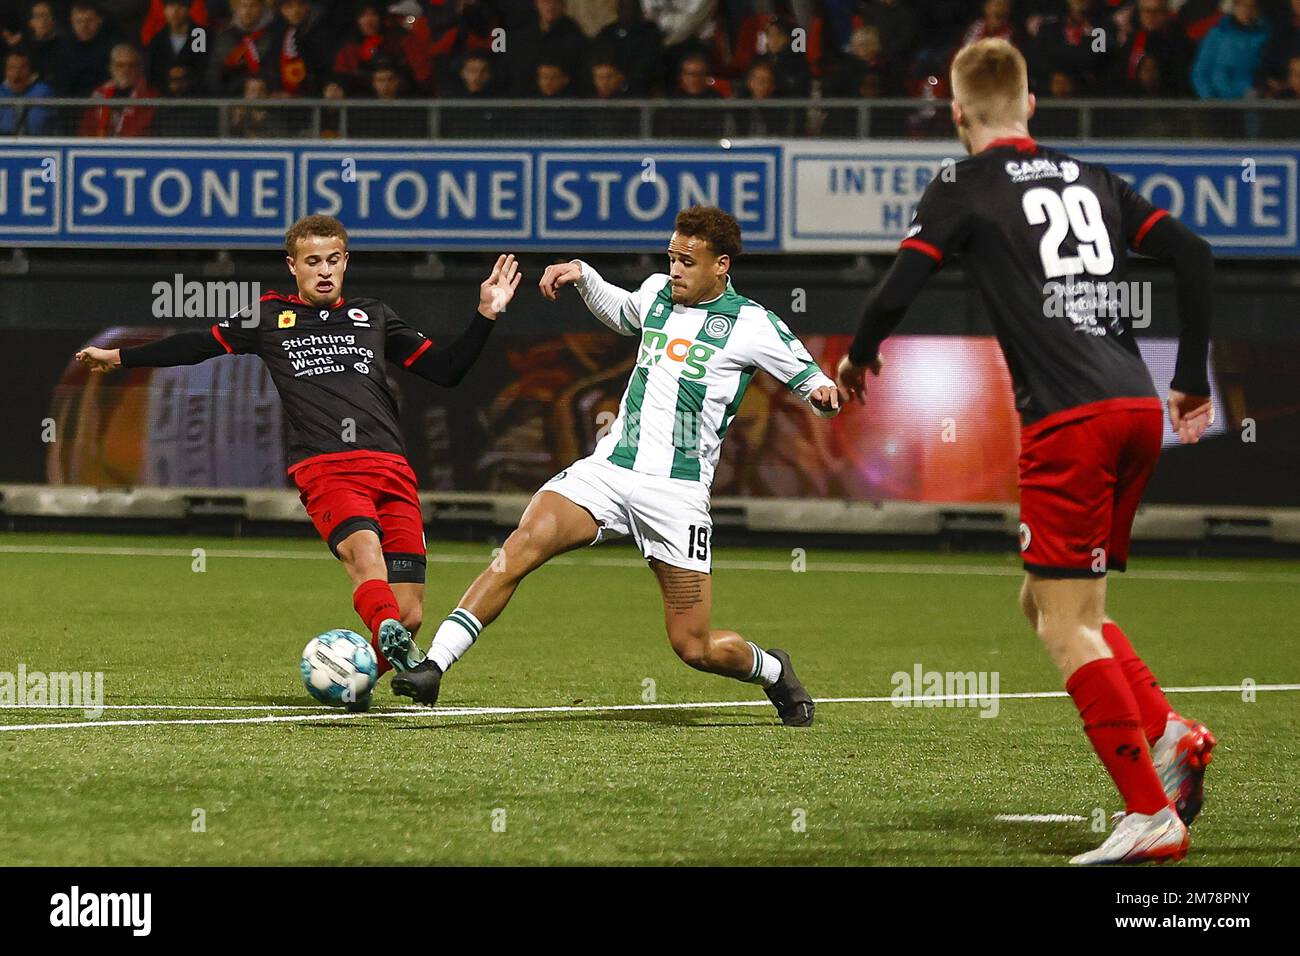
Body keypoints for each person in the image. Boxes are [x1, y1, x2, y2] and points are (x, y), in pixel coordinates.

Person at [835, 38, 1217, 865]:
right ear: (1033, 106)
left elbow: (896, 286)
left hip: (1070, 419)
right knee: (1051, 602)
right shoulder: (1093, 178)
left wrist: (861, 353)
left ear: (957, 113)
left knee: (1064, 625)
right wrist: (1189, 378)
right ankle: (1170, 732)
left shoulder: (963, 184)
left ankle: (1149, 813)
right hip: (1134, 407)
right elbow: (1193, 253)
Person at [387, 206, 841, 728]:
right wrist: (584, 275)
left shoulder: (753, 324)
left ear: (722, 266)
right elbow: (624, 310)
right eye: (671, 258)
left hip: (676, 494)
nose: (675, 271)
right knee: (521, 546)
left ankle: (772, 670)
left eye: (687, 262)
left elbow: (810, 380)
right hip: (609, 471)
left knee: (693, 646)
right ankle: (434, 665)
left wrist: (823, 395)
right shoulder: (657, 294)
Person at [74, 216, 521, 711]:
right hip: (326, 466)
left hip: (392, 468)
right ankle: (377, 641)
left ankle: (354, 678)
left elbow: (448, 370)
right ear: (293, 266)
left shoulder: (373, 316)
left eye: (333, 260)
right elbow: (196, 345)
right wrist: (119, 358)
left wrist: (486, 315)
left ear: (346, 261)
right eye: (312, 262)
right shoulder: (269, 317)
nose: (324, 271)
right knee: (365, 559)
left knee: (410, 612)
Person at [0, 47, 54, 135]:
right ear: (5, 71)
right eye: (12, 68)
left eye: (23, 67)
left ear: (30, 71)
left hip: (37, 143)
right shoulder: (1, 93)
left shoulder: (43, 92)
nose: (17, 73)